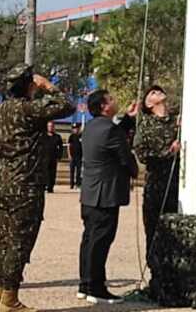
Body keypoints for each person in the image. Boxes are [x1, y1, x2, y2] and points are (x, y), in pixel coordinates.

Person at [0, 65, 73, 312]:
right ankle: (9, 300)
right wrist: (48, 85)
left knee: (5, 237)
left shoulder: (1, 110)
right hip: (24, 183)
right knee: (20, 240)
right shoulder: (29, 109)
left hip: (3, 179)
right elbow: (66, 105)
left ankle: (2, 291)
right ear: (28, 85)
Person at [79, 87, 138, 304]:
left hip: (90, 193)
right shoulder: (110, 130)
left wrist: (129, 119)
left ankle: (85, 284)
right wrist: (134, 170)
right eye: (111, 99)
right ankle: (96, 288)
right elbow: (124, 157)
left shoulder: (92, 126)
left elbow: (113, 133)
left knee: (89, 239)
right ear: (104, 106)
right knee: (101, 241)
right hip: (106, 194)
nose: (114, 101)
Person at [133, 85, 179, 252]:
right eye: (152, 92)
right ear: (148, 104)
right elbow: (143, 155)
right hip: (157, 186)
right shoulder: (145, 125)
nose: (158, 92)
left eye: (159, 90)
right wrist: (169, 152)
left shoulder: (178, 121)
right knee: (154, 233)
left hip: (178, 185)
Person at [40, 121, 64, 193]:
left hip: (53, 158)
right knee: (45, 172)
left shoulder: (57, 137)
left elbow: (61, 147)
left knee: (52, 173)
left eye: (52, 126)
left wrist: (59, 155)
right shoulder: (43, 136)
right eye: (49, 126)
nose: (50, 128)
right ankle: (45, 186)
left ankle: (51, 187)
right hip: (45, 157)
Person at [68, 123, 83, 190]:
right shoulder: (71, 136)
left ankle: (78, 184)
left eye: (76, 128)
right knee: (72, 171)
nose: (75, 130)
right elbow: (69, 146)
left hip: (79, 156)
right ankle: (71, 184)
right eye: (74, 128)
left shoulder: (81, 136)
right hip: (72, 156)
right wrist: (69, 155)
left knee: (78, 171)